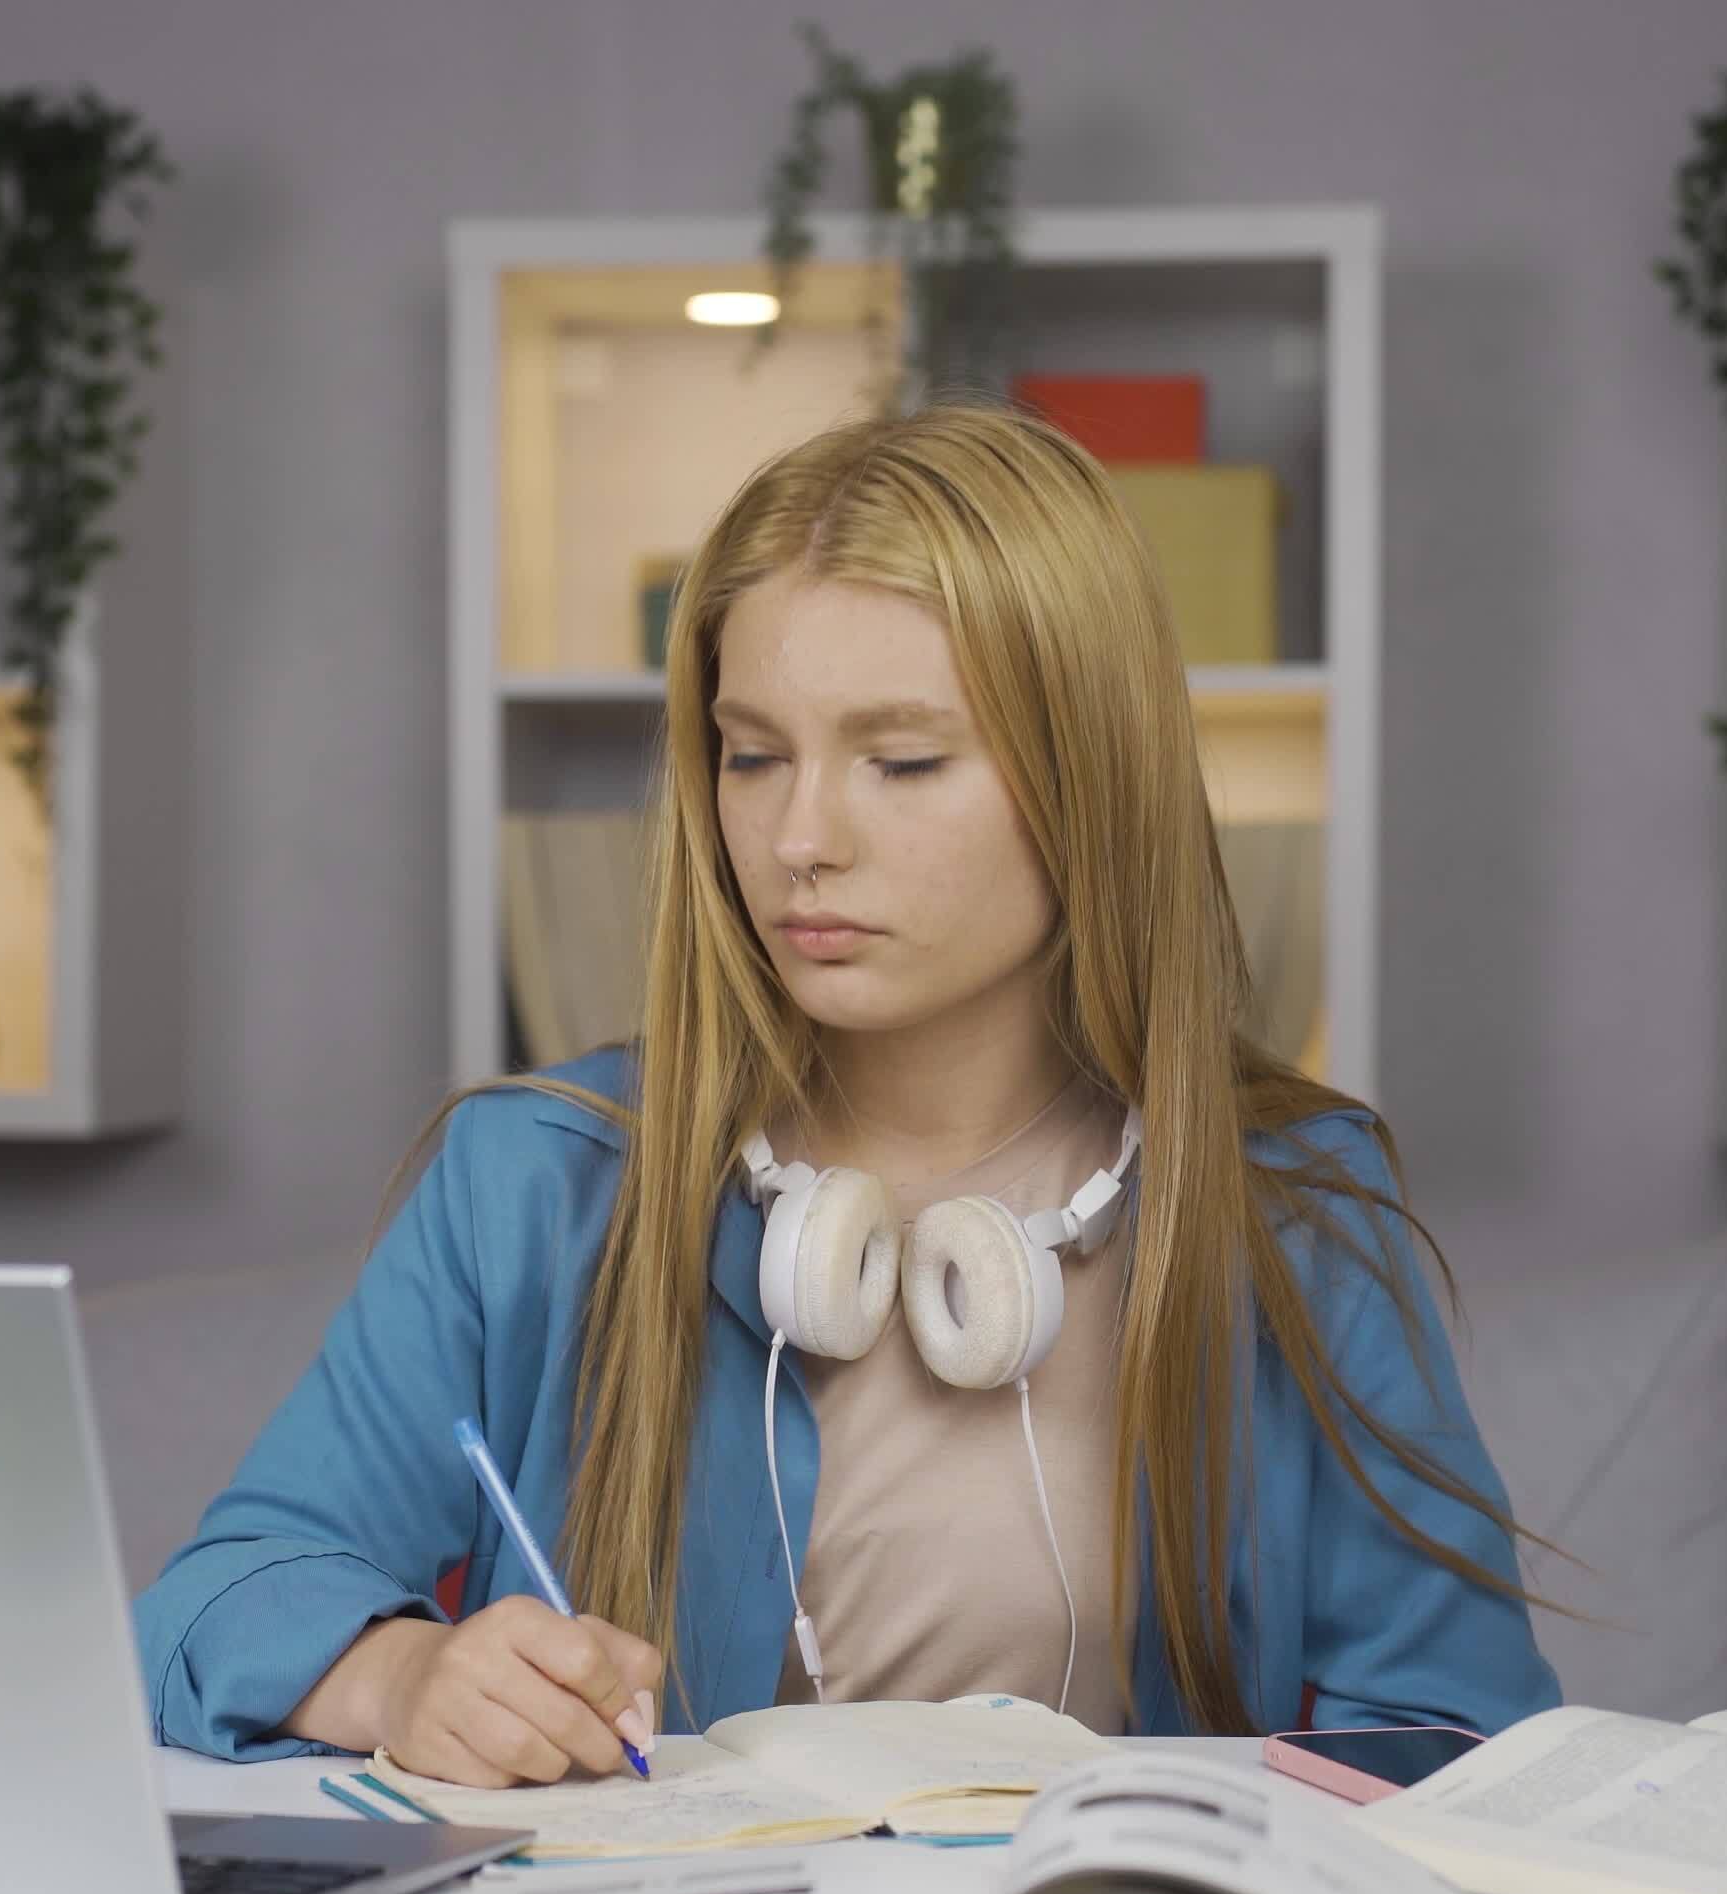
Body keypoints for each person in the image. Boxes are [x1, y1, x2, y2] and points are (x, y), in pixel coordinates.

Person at [135, 399, 1557, 1785]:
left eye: (903, 760)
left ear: (1092, 778)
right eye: (753, 757)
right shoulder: (534, 1178)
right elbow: (206, 1609)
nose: (799, 838)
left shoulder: (1294, 1206)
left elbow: (1452, 1733)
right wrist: (404, 1677)